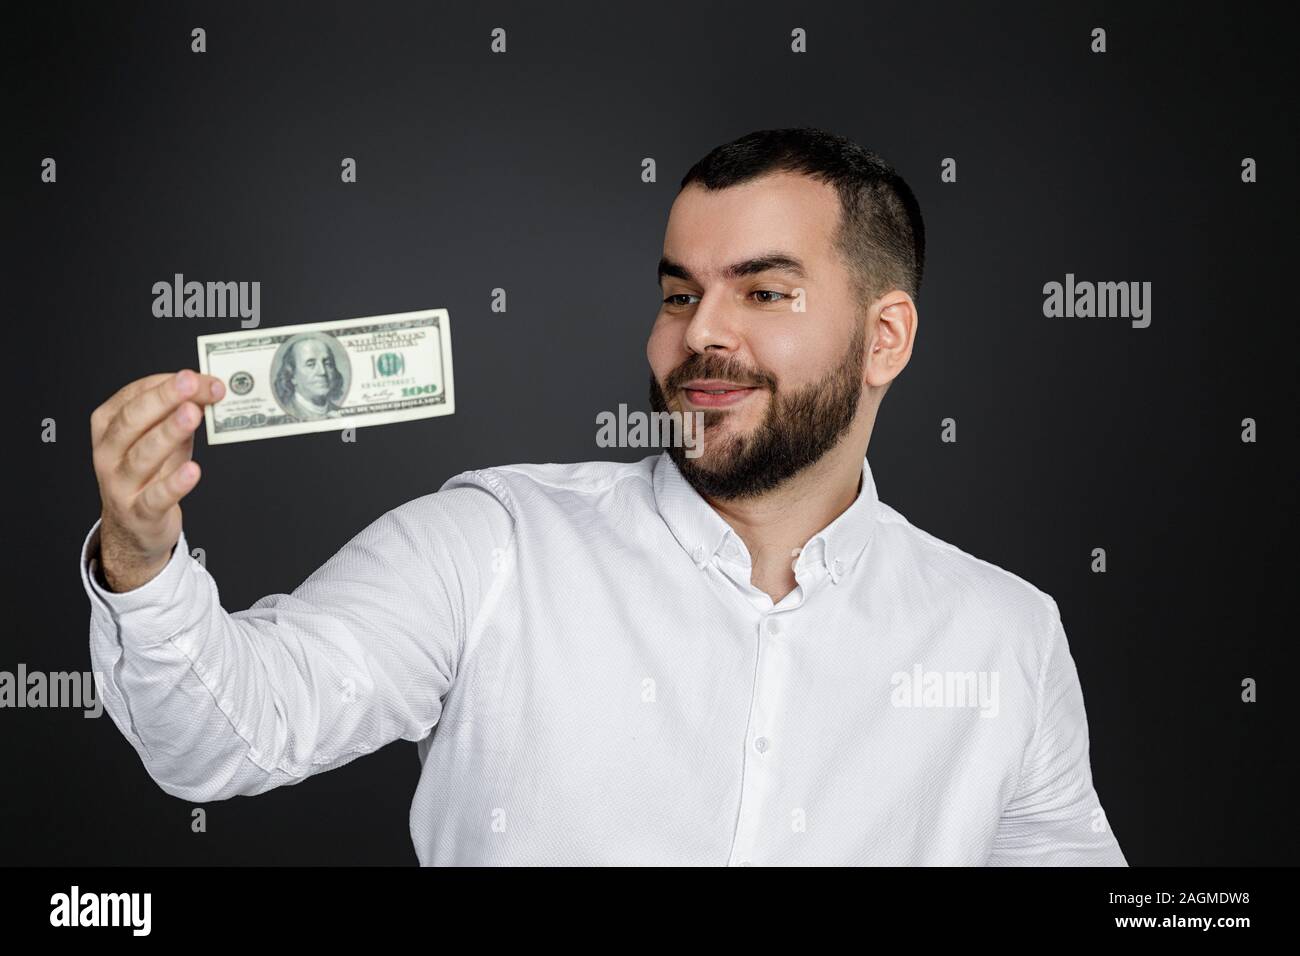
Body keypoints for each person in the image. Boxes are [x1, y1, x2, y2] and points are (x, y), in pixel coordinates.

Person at [82, 127, 1126, 866]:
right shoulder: (491, 546)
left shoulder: (1004, 636)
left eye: (761, 290)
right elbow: (223, 734)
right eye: (680, 292)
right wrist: (141, 557)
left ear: (884, 337)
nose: (700, 333)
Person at [272, 334, 345, 420]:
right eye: (310, 365)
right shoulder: (287, 412)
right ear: (292, 376)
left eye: (327, 363)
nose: (322, 371)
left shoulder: (341, 412)